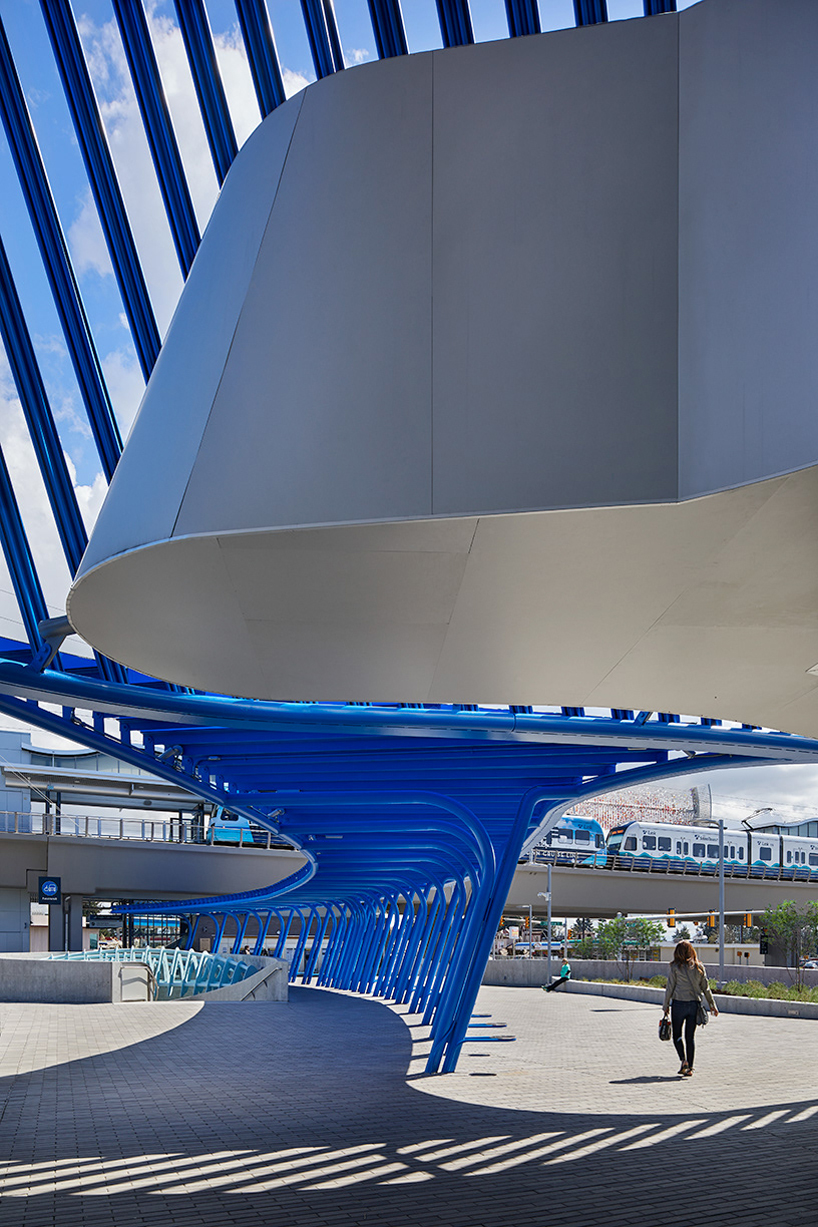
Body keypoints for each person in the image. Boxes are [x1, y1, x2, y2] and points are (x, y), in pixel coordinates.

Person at [662, 940, 719, 1075]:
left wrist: (665, 1005)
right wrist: (712, 1005)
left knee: (677, 1034)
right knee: (690, 1037)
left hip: (679, 1004)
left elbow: (670, 987)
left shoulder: (675, 967)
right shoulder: (699, 967)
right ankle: (690, 1068)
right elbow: (706, 988)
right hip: (694, 1005)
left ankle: (683, 1060)